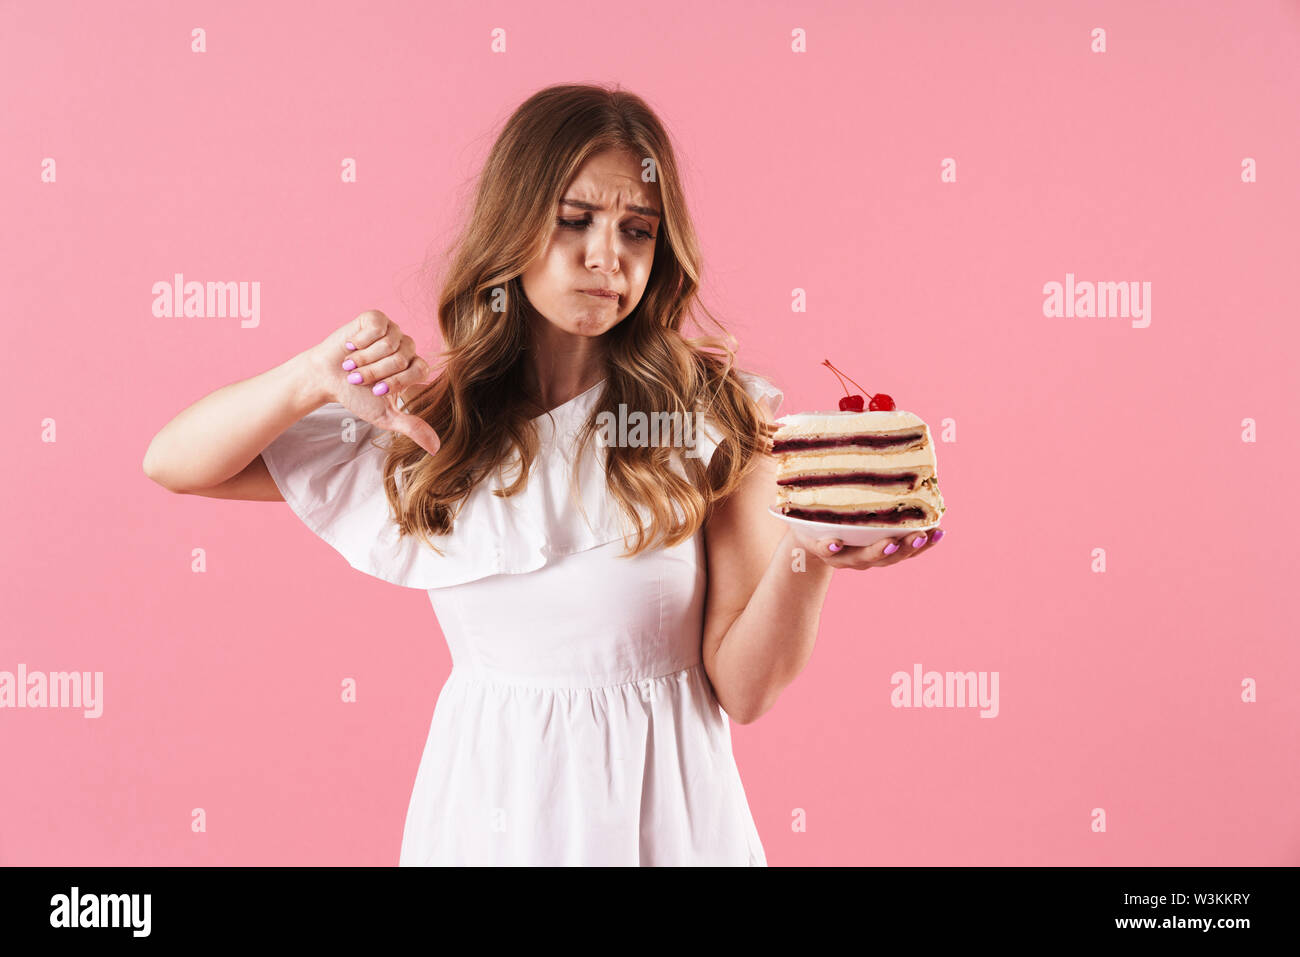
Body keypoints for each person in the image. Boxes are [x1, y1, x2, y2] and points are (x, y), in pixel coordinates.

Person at [142, 83, 942, 866]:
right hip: (488, 818)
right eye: (575, 221)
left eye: (638, 231)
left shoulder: (714, 417)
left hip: (668, 823)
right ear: (514, 222)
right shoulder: (434, 421)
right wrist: (310, 377)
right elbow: (174, 462)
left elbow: (746, 689)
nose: (608, 257)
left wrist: (814, 548)